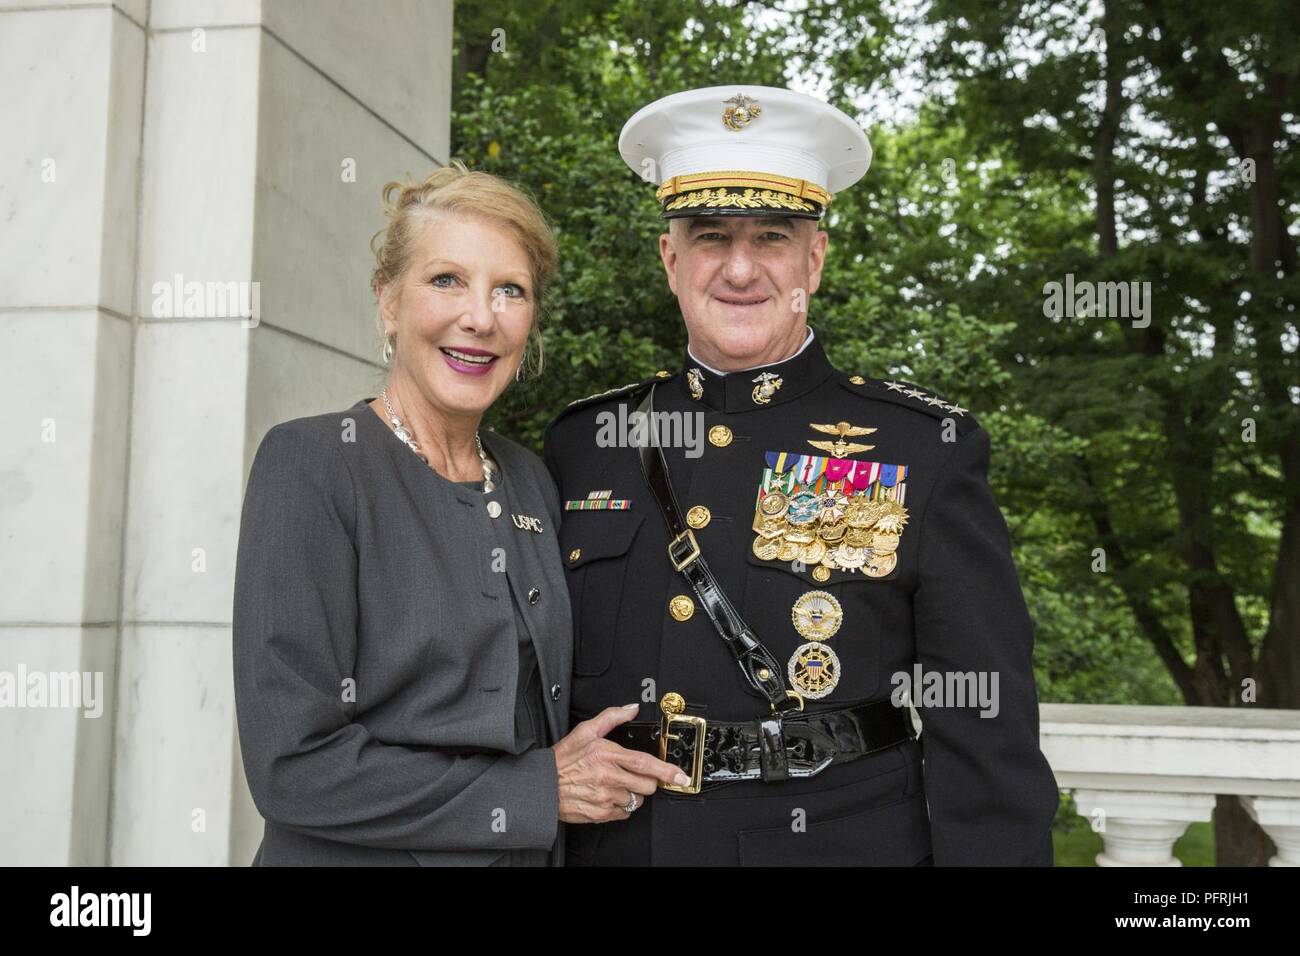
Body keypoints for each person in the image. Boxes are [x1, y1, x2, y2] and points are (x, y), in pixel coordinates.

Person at [543, 86, 1059, 865]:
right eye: (710, 234)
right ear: (670, 258)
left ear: (813, 260)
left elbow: (986, 737)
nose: (741, 268)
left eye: (773, 236)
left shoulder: (924, 448)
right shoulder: (585, 445)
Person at [233, 163, 685, 866]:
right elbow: (293, 766)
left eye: (510, 290)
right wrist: (536, 790)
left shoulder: (532, 478)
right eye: (446, 280)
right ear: (388, 300)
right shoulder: (315, 463)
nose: (480, 316)